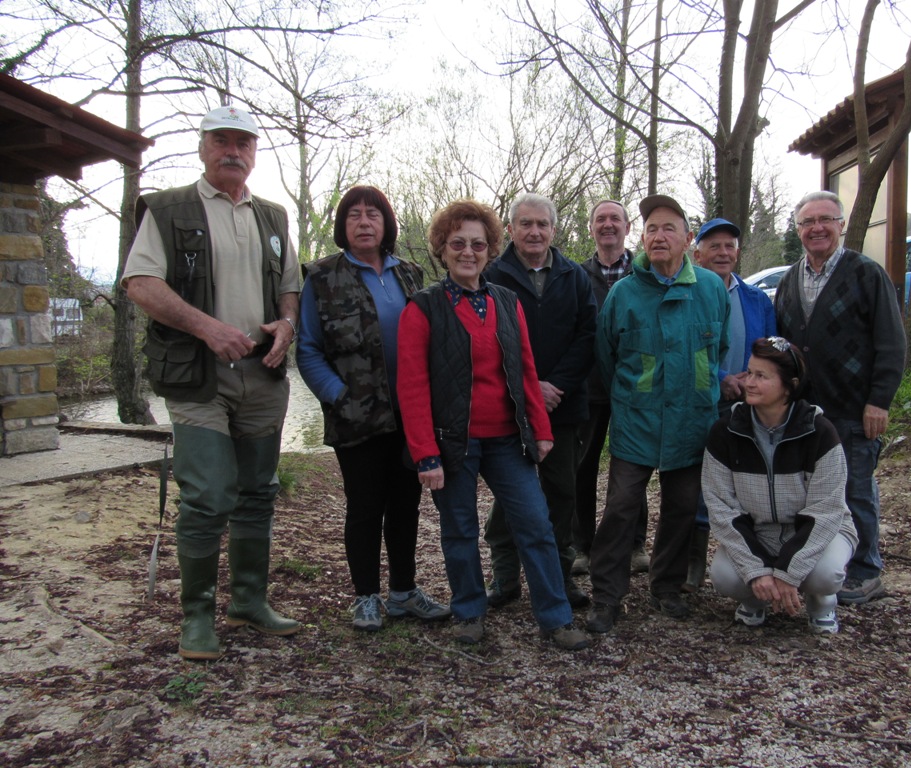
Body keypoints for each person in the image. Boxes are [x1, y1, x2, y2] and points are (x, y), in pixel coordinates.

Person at [124, 105, 301, 660]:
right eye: (221, 140)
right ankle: (196, 617)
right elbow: (140, 282)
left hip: (262, 375)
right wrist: (208, 328)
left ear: (254, 152)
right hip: (197, 377)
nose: (233, 151)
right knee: (207, 494)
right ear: (202, 147)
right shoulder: (168, 208)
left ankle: (248, 601)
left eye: (243, 143)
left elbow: (290, 287)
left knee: (257, 491)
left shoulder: (273, 216)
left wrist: (286, 325)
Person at [396, 199, 589, 651]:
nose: (469, 252)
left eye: (478, 244)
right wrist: (425, 454)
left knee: (536, 525)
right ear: (442, 249)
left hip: (506, 440)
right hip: (452, 443)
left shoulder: (506, 301)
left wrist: (541, 429)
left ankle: (556, 617)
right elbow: (412, 387)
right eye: (458, 243)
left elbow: (525, 370)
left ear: (490, 249)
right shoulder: (423, 308)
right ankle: (469, 612)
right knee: (460, 530)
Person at [296, 185, 450, 632]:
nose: (364, 222)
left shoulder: (411, 274)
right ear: (343, 225)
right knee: (364, 507)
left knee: (405, 504)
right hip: (356, 417)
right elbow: (307, 349)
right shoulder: (322, 277)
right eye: (354, 215)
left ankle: (403, 593)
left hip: (410, 415)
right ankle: (365, 596)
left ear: (387, 224)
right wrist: (338, 396)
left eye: (373, 214)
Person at [585, 194, 729, 634]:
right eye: (651, 229)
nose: (659, 236)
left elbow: (719, 350)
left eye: (669, 228)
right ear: (642, 239)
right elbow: (606, 358)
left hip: (691, 422)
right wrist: (636, 396)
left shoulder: (711, 289)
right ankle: (607, 595)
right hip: (637, 422)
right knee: (621, 507)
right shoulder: (624, 294)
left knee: (682, 506)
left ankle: (666, 586)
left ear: (688, 238)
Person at [774, 191, 906, 605]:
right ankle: (817, 561)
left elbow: (891, 342)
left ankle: (865, 571)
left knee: (855, 490)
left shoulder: (866, 274)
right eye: (807, 222)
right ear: (798, 229)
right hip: (805, 412)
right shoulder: (789, 280)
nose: (816, 228)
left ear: (841, 225)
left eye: (825, 220)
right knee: (810, 491)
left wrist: (879, 400)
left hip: (852, 407)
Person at [482, 193, 598, 610]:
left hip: (562, 407)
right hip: (509, 406)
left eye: (542, 224)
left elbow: (588, 336)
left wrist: (554, 387)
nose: (534, 232)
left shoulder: (574, 276)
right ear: (511, 229)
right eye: (525, 223)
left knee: (562, 493)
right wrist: (529, 389)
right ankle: (505, 576)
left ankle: (561, 577)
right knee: (509, 494)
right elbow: (485, 342)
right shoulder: (491, 275)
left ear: (553, 229)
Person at [702, 337, 858, 634]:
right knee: (725, 577)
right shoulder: (726, 431)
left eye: (762, 376)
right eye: (750, 372)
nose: (749, 382)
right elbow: (721, 509)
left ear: (790, 385)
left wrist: (789, 572)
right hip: (759, 532)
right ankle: (755, 599)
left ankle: (821, 601)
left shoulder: (820, 432)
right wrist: (756, 570)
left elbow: (826, 511)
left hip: (819, 531)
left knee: (825, 574)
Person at [688, 217, 776, 592]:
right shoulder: (687, 295)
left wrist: (752, 380)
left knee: (748, 483)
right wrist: (721, 376)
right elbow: (686, 349)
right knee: (699, 485)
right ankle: (692, 564)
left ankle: (755, 560)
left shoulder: (756, 299)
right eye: (714, 246)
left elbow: (772, 350)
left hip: (750, 405)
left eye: (729, 246)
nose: (723, 253)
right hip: (702, 403)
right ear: (698, 254)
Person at [574, 200, 651, 578]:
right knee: (582, 467)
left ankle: (634, 544)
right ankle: (581, 545)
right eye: (600, 219)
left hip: (635, 386)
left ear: (627, 226)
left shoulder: (646, 274)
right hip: (589, 386)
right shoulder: (576, 276)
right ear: (591, 228)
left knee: (633, 465)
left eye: (615, 219)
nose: (608, 225)